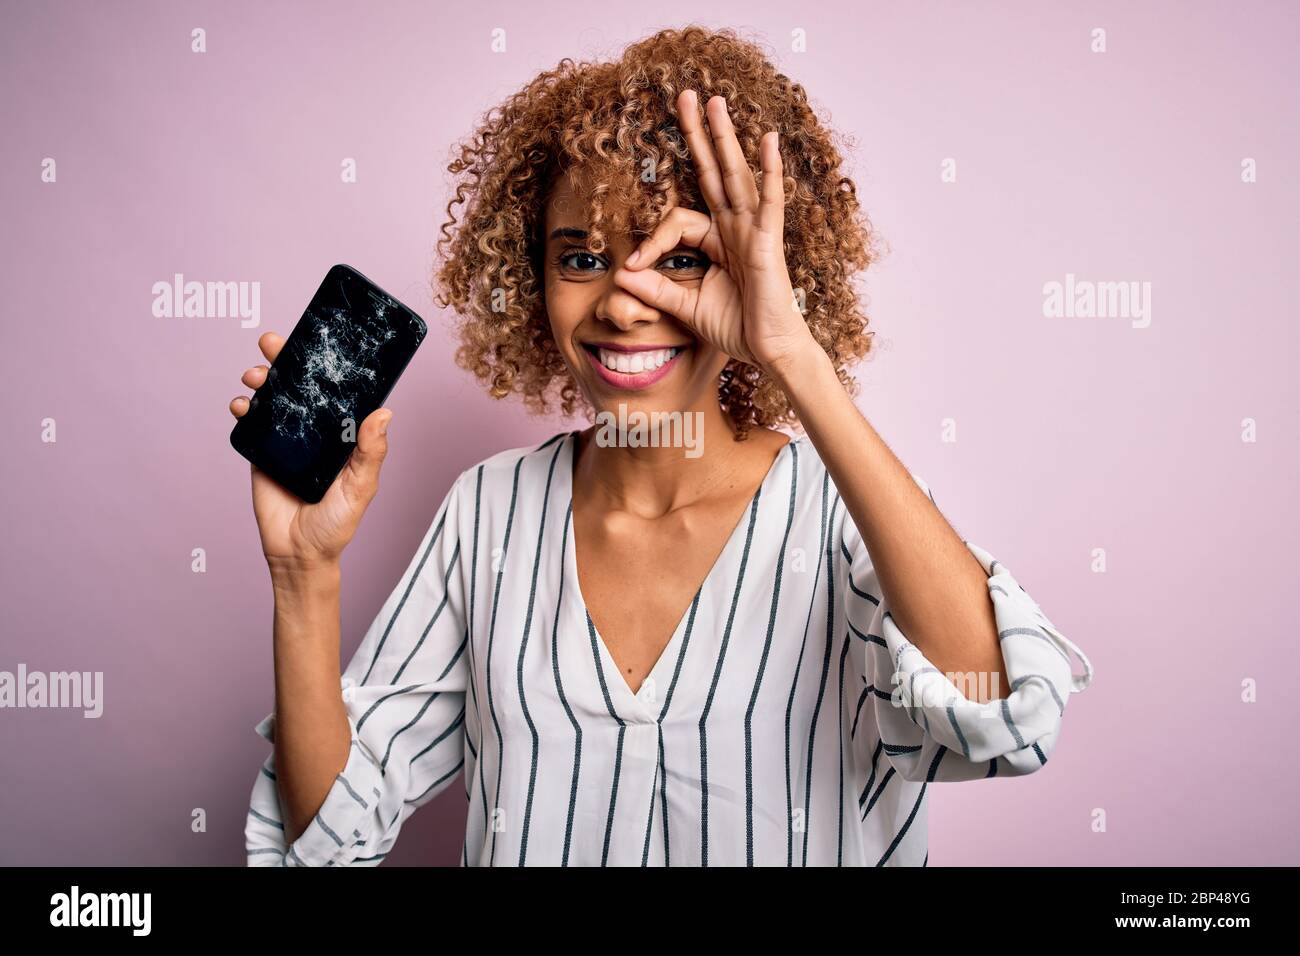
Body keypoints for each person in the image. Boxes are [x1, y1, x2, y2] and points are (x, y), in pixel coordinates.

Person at [239, 26, 1093, 867]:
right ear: (532, 279)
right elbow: (329, 835)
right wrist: (301, 577)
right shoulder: (487, 514)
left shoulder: (844, 516)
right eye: (580, 258)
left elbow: (1005, 718)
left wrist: (792, 353)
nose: (622, 302)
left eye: (678, 259)